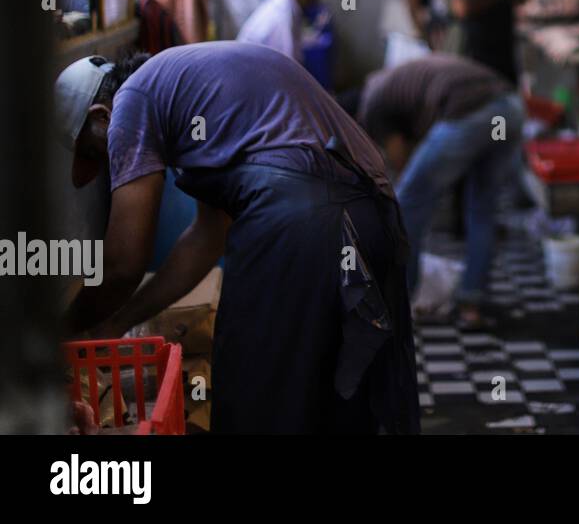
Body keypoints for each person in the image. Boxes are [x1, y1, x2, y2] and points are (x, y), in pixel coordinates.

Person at [56, 43, 418, 434]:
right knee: (335, 398)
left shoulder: (130, 102)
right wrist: (120, 320)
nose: (113, 165)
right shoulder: (188, 89)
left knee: (251, 389)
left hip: (300, 223)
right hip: (370, 215)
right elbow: (207, 239)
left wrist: (60, 330)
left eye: (98, 151)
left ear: (100, 115)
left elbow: (124, 263)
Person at [357, 54, 523, 329]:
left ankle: (399, 301)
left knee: (407, 202)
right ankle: (471, 304)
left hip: (472, 114)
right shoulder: (395, 84)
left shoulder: (372, 103)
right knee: (482, 209)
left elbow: (400, 159)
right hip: (510, 109)